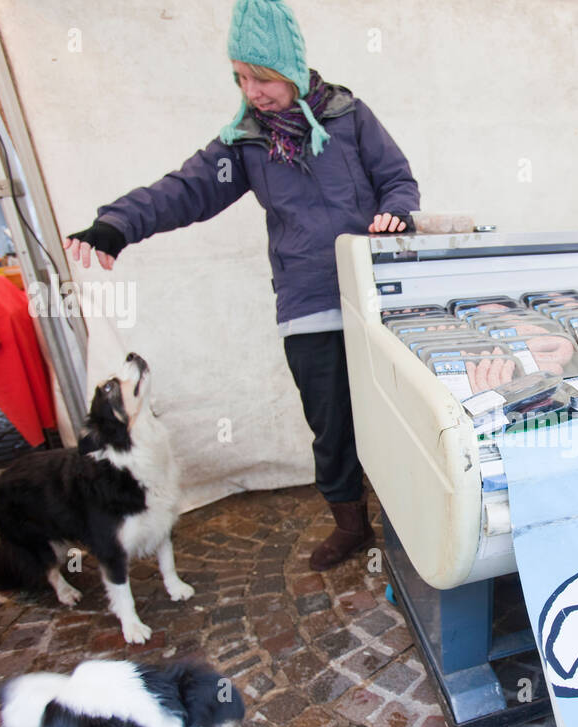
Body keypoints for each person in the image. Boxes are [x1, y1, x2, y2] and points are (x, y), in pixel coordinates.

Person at [64, 0, 419, 571]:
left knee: (402, 416)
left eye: (261, 76)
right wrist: (117, 224)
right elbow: (184, 190)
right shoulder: (246, 142)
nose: (251, 90)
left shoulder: (350, 117)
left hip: (379, 299)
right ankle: (351, 525)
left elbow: (397, 179)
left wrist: (397, 213)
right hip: (310, 306)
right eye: (240, 77)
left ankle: (413, 522)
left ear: (292, 67)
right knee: (331, 426)